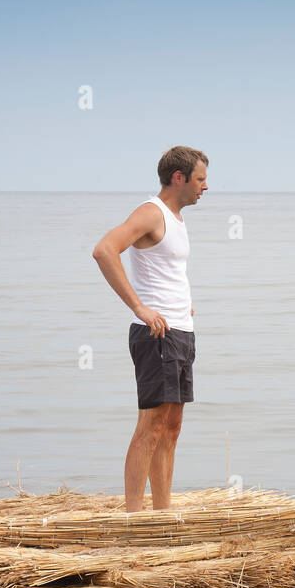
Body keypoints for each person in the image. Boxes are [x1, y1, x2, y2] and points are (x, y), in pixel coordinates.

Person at [92, 146, 208, 512]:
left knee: (172, 427)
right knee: (151, 427)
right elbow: (105, 250)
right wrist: (140, 307)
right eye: (200, 179)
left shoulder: (175, 219)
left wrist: (183, 304)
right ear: (179, 178)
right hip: (157, 336)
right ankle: (133, 516)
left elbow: (166, 272)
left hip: (180, 331)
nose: (205, 187)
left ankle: (162, 510)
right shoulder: (150, 213)